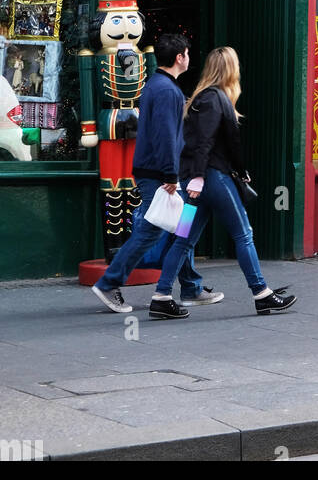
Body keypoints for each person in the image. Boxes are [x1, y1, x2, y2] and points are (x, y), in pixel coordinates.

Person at [150, 46, 296, 318]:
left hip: (196, 185)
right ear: (231, 69)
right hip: (211, 180)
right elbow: (206, 143)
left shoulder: (201, 98)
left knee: (183, 240)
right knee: (243, 233)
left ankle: (161, 296)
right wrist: (201, 176)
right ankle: (261, 293)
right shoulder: (215, 98)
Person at [91, 34, 224, 314]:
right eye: (187, 54)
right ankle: (108, 283)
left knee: (183, 227)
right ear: (180, 58)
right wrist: (170, 176)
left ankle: (190, 285)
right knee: (152, 231)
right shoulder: (167, 91)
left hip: (164, 171)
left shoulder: (159, 85)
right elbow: (166, 136)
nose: (189, 58)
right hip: (161, 174)